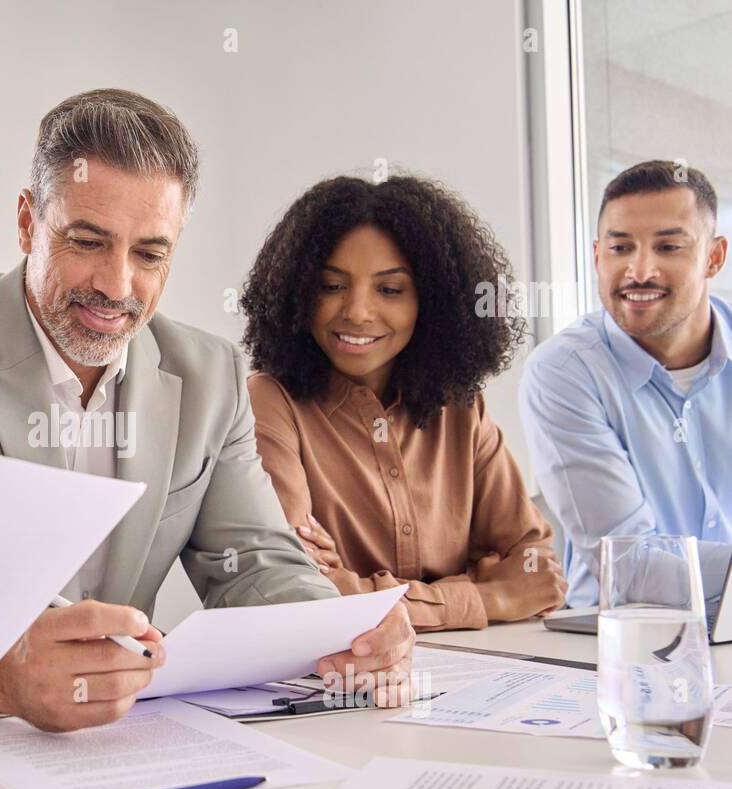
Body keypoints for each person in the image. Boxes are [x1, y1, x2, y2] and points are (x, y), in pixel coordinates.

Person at [0, 89, 415, 733]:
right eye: (87, 241)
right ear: (27, 222)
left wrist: (342, 629)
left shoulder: (209, 374)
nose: (117, 285)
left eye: (149, 254)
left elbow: (256, 562)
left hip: (122, 750)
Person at [243, 174, 566, 631]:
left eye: (390, 290)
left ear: (431, 302)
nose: (356, 310)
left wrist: (363, 590)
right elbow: (304, 592)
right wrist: (486, 597)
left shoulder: (461, 407)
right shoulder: (270, 403)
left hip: (483, 671)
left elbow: (535, 566)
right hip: (340, 683)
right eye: (332, 285)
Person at [520, 160, 732, 607]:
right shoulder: (564, 372)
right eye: (621, 249)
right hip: (621, 645)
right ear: (597, 256)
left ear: (714, 257)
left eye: (668, 247)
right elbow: (631, 566)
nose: (640, 271)